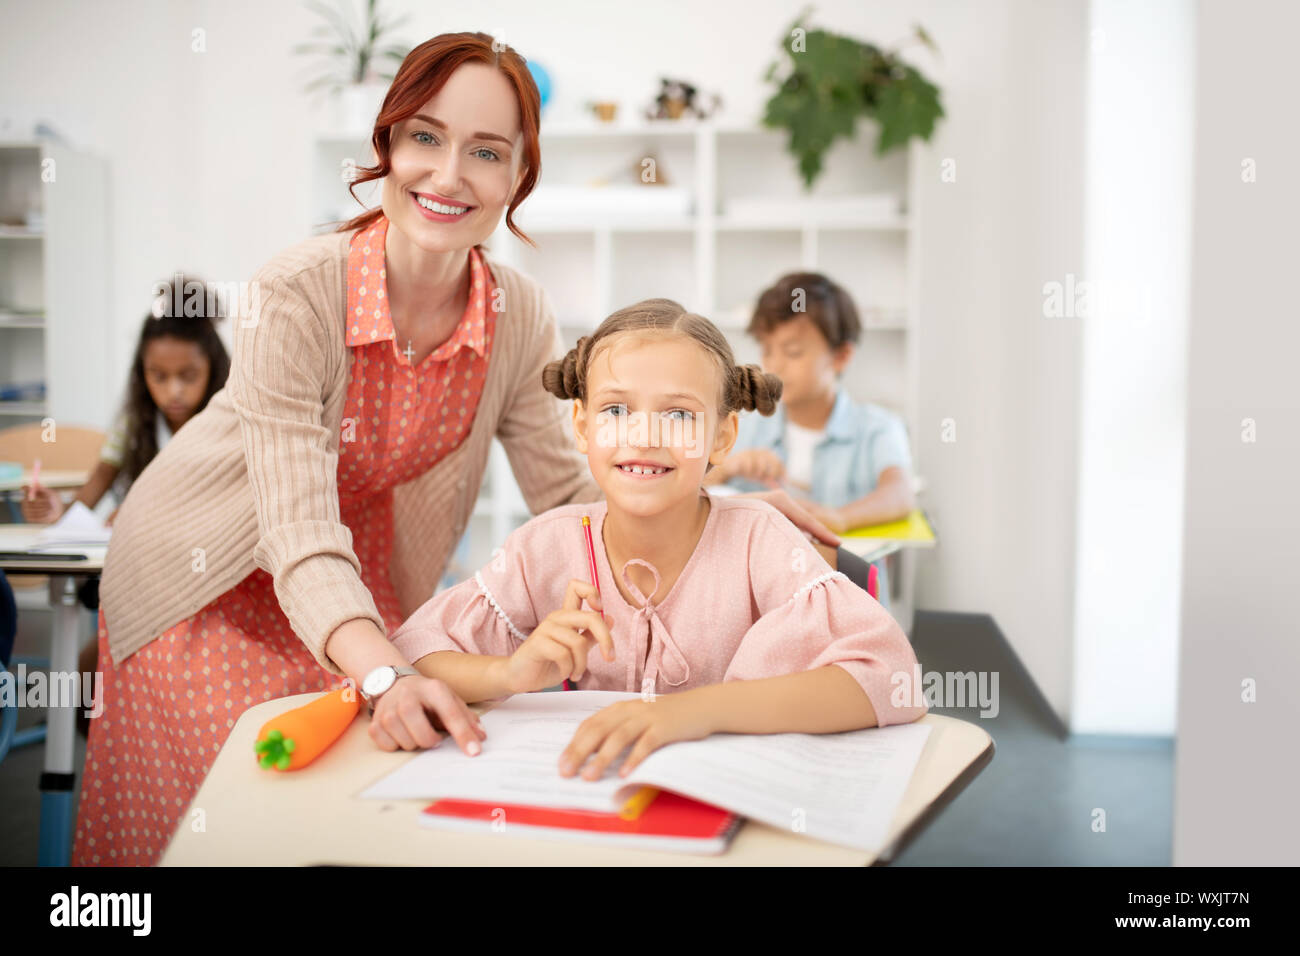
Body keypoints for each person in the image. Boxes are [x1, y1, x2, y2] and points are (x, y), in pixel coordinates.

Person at [73, 32, 837, 867]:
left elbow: (565, 496)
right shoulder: (294, 293)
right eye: (425, 137)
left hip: (355, 581)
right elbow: (294, 527)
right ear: (389, 144)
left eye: (485, 152)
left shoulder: (517, 313)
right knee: (248, 802)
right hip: (205, 575)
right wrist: (383, 675)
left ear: (517, 177)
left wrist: (720, 517)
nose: (447, 175)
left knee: (392, 779)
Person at [389, 299, 926, 780]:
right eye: (616, 410)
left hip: (730, 793)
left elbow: (890, 677)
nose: (644, 436)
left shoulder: (758, 540)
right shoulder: (544, 547)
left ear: (722, 436)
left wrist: (689, 713)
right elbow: (413, 651)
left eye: (677, 414)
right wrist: (509, 670)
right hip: (602, 798)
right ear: (581, 426)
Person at [705, 271, 916, 603]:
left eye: (792, 353)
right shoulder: (747, 426)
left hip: (853, 599)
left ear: (841, 356)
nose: (774, 366)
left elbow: (901, 494)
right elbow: (691, 493)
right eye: (768, 351)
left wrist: (840, 518)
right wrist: (730, 466)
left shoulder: (877, 427)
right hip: (772, 601)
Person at [21, 277, 230, 526]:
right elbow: (90, 494)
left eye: (188, 376)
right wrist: (59, 511)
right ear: (143, 373)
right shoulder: (132, 423)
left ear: (213, 370)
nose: (174, 391)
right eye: (159, 376)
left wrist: (141, 517)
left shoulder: (232, 423)